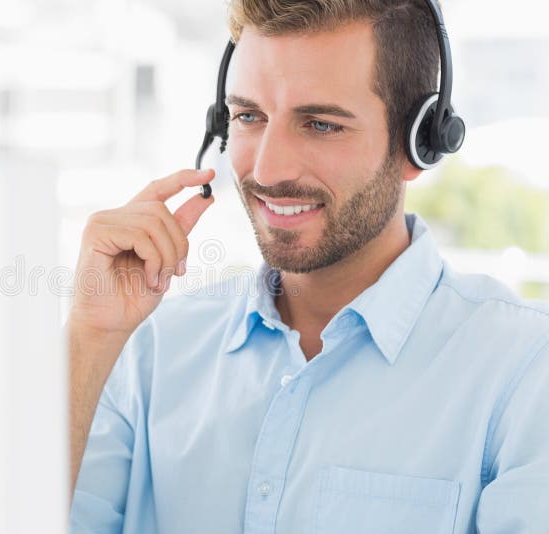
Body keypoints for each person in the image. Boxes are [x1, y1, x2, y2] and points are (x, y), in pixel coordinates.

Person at [67, 1, 549, 532]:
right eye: (249, 116)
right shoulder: (149, 352)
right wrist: (90, 338)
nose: (268, 169)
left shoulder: (524, 374)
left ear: (420, 141)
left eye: (320, 125)